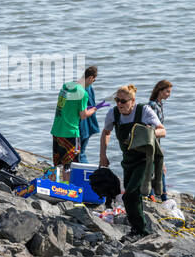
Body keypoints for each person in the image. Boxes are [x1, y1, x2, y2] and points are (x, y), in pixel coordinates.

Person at [99, 84, 164, 238]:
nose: (120, 104)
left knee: (130, 195)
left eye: (123, 101)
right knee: (131, 197)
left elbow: (162, 130)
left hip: (145, 160)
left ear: (132, 101)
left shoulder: (144, 111)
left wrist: (147, 132)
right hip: (128, 161)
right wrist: (103, 155)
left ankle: (142, 230)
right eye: (117, 100)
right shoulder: (113, 114)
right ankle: (137, 229)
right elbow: (106, 132)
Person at [51, 78, 103, 182]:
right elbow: (83, 115)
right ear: (91, 79)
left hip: (57, 130)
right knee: (70, 164)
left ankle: (54, 184)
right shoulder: (84, 93)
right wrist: (96, 108)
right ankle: (68, 186)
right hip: (71, 132)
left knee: (57, 162)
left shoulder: (65, 88)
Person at [146, 80, 173, 200]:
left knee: (158, 168)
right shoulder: (152, 106)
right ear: (160, 91)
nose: (169, 94)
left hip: (157, 142)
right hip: (152, 142)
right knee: (157, 168)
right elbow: (151, 128)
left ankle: (156, 194)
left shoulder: (159, 104)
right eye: (167, 91)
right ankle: (162, 196)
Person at [77, 66, 100, 164]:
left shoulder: (82, 86)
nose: (93, 82)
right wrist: (97, 108)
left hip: (85, 123)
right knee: (80, 152)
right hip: (83, 124)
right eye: (94, 80)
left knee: (80, 151)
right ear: (90, 78)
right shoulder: (83, 89)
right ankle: (86, 172)